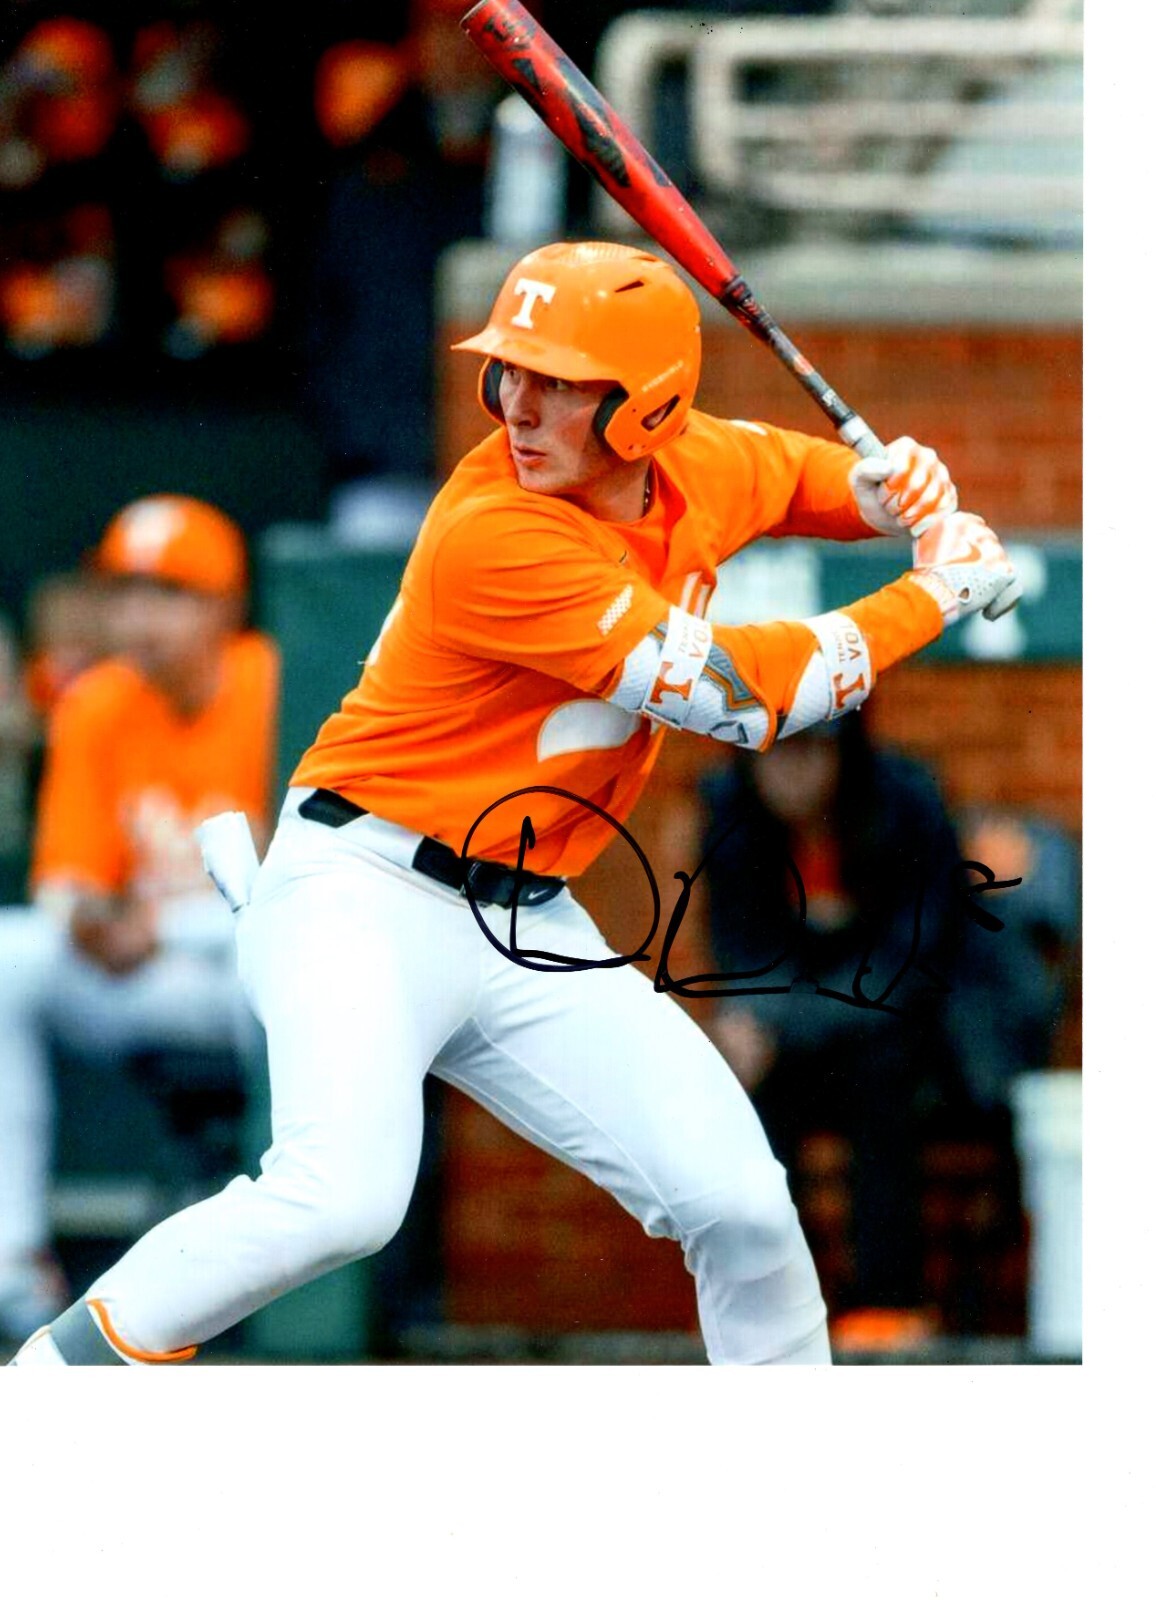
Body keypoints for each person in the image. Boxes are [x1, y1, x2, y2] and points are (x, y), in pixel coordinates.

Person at [10, 240, 1018, 1367]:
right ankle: (50, 1381)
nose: (517, 406)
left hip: (526, 917)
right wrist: (929, 592)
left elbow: (796, 478)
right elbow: (739, 698)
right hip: (363, 887)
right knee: (341, 1195)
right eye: (508, 372)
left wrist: (885, 494)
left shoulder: (701, 462)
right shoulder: (493, 528)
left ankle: (780, 1489)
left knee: (738, 1202)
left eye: (558, 382)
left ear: (647, 414)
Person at [0, 495, 278, 1345]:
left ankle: (286, 1267)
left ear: (226, 606)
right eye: (124, 591)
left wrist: (164, 927)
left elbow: (304, 894)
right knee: (12, 954)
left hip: (254, 977)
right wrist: (86, 918)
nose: (139, 616)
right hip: (157, 981)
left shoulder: (275, 677)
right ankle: (13, 1266)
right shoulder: (99, 701)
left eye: (169, 593)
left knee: (281, 964)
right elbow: (69, 883)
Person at [697, 713, 965, 1324]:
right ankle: (769, 1300)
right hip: (794, 1030)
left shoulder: (906, 799)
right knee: (747, 1094)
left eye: (812, 751)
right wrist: (747, 1018)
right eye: (776, 754)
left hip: (903, 1025)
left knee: (881, 1083)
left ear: (845, 751)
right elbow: (737, 950)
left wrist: (778, 1021)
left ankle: (884, 1304)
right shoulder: (728, 806)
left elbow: (911, 961)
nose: (792, 772)